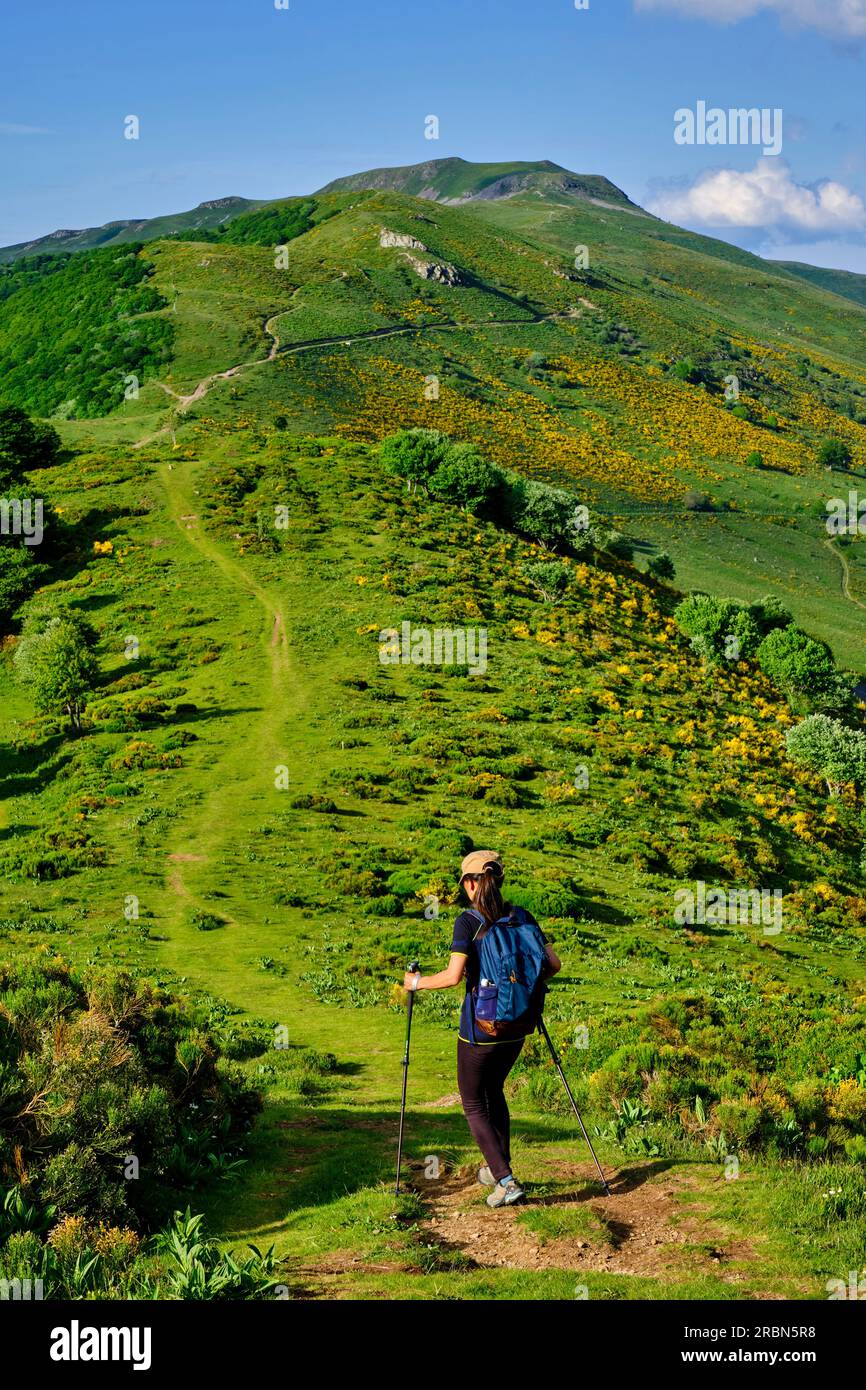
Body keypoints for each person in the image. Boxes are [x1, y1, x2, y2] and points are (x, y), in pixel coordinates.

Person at [403, 850, 561, 1208]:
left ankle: (505, 1181)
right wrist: (525, 987)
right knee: (495, 1091)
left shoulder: (468, 922)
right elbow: (553, 963)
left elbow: (453, 976)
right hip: (519, 1025)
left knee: (473, 1103)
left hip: (481, 1028)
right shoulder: (523, 916)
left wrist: (415, 983)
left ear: (470, 883)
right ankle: (497, 1168)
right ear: (499, 880)